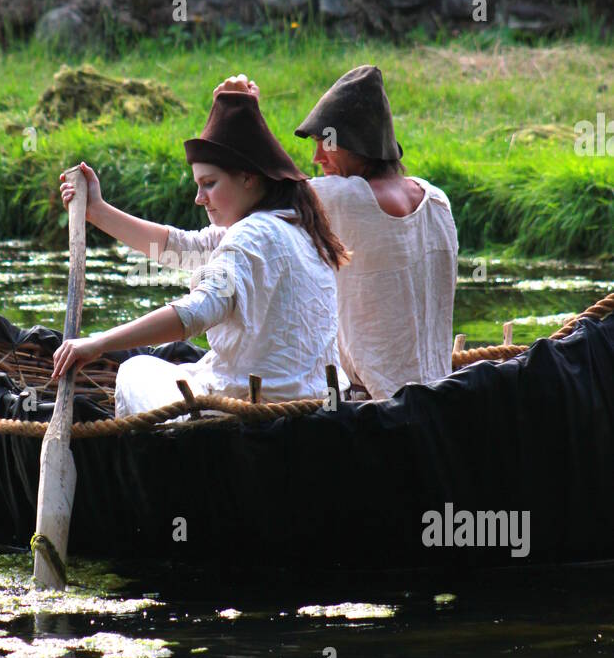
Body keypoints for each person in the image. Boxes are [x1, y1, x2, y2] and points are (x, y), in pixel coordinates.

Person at [52, 88, 350, 417]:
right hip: (318, 407)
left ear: (248, 177)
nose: (199, 198)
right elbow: (181, 248)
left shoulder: (250, 236)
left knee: (135, 371)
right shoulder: (299, 226)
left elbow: (196, 312)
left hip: (251, 413)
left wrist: (98, 343)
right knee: (183, 369)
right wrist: (98, 211)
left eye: (209, 184)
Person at [294, 63, 458, 401]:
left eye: (326, 144)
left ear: (357, 145)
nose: (316, 157)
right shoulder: (438, 200)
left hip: (378, 408)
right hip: (442, 395)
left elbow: (265, 190)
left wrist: (240, 105)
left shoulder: (340, 196)